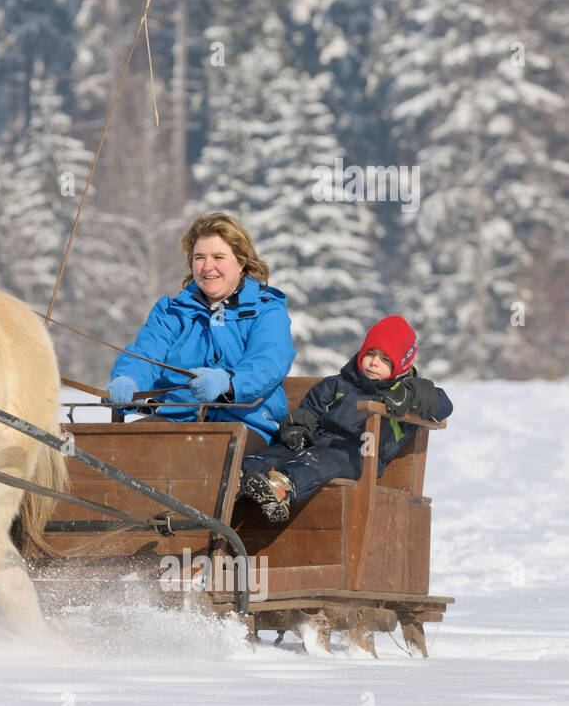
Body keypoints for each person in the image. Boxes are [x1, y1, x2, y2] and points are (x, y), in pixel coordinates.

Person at [238, 314, 453, 524]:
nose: (374, 363)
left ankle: (283, 488)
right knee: (280, 452)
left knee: (319, 462)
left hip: (358, 456)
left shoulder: (400, 399)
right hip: (318, 443)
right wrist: (298, 429)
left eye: (385, 359)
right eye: (370, 353)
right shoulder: (339, 384)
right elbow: (311, 408)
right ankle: (240, 476)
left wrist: (413, 393)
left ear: (401, 368)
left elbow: (443, 405)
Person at [104, 213, 295, 443]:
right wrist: (128, 379)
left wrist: (228, 383)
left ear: (241, 262)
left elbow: (268, 361)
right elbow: (146, 353)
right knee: (126, 451)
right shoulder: (172, 312)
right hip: (177, 419)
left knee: (209, 461)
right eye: (199, 257)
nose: (208, 267)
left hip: (246, 424)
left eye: (218, 257)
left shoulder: (266, 311)